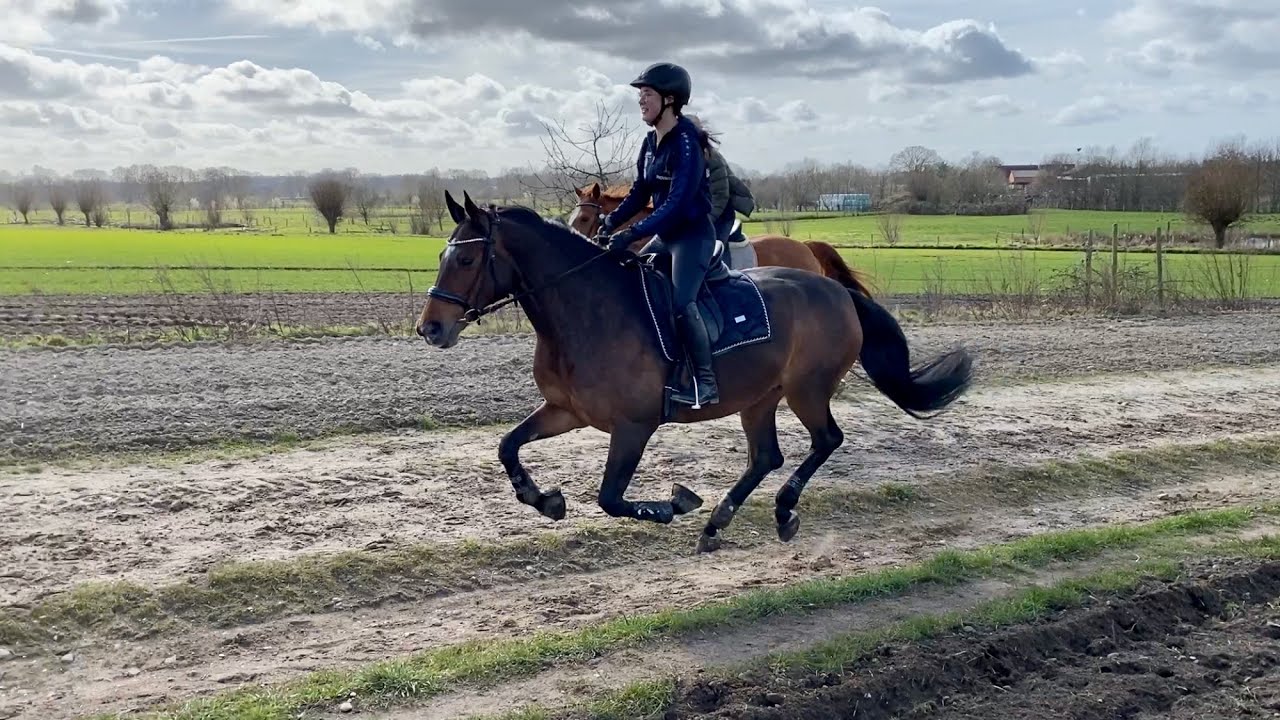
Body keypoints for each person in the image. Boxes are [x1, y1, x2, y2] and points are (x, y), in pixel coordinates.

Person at [598, 62, 719, 408]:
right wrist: (611, 222)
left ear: (669, 99)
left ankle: (705, 382)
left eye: (647, 94)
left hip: (692, 236)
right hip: (667, 236)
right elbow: (640, 192)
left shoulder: (686, 143)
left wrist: (633, 233)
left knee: (681, 304)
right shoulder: (650, 142)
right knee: (636, 287)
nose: (641, 101)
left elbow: (678, 204)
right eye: (640, 95)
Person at [688, 115, 756, 242]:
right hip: (697, 216)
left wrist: (706, 222)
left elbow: (720, 197)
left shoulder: (713, 159)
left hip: (720, 216)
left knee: (712, 247)